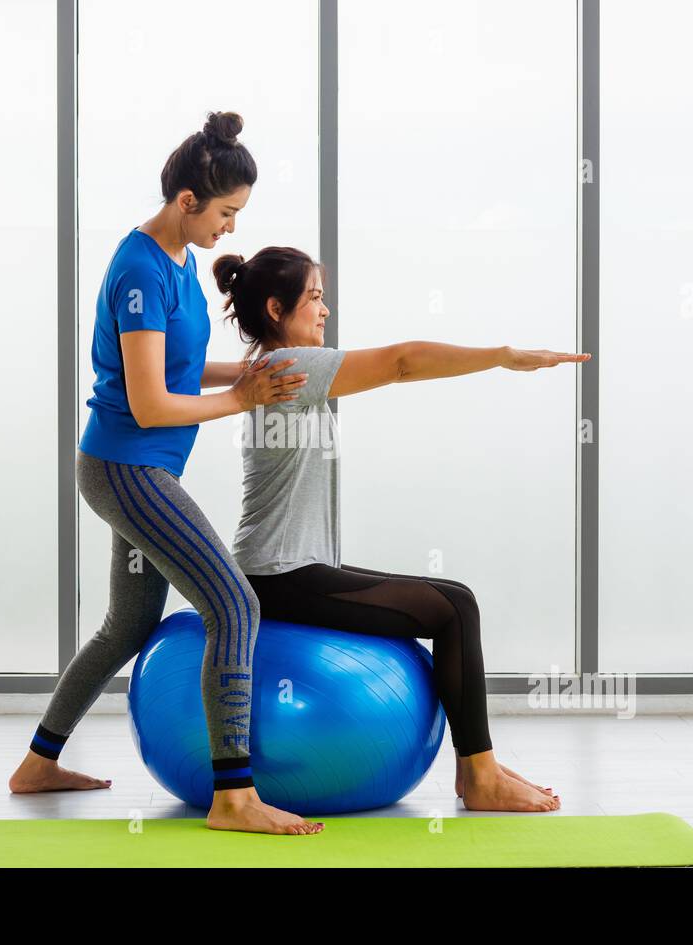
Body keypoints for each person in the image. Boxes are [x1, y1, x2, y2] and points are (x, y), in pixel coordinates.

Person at [8, 114, 323, 835]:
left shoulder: (177, 261)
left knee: (129, 622)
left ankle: (39, 762)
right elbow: (150, 403)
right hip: (127, 468)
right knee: (235, 606)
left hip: (134, 467)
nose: (229, 230)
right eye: (224, 213)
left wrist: (240, 371)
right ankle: (234, 795)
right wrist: (241, 397)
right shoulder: (141, 270)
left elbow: (174, 368)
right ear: (186, 201)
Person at [213, 245, 590, 812]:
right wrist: (502, 355)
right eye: (314, 297)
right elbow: (401, 361)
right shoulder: (291, 369)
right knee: (454, 610)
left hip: (286, 567)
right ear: (275, 307)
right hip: (279, 574)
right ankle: (480, 776)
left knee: (456, 600)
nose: (325, 310)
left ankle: (477, 767)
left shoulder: (267, 370)